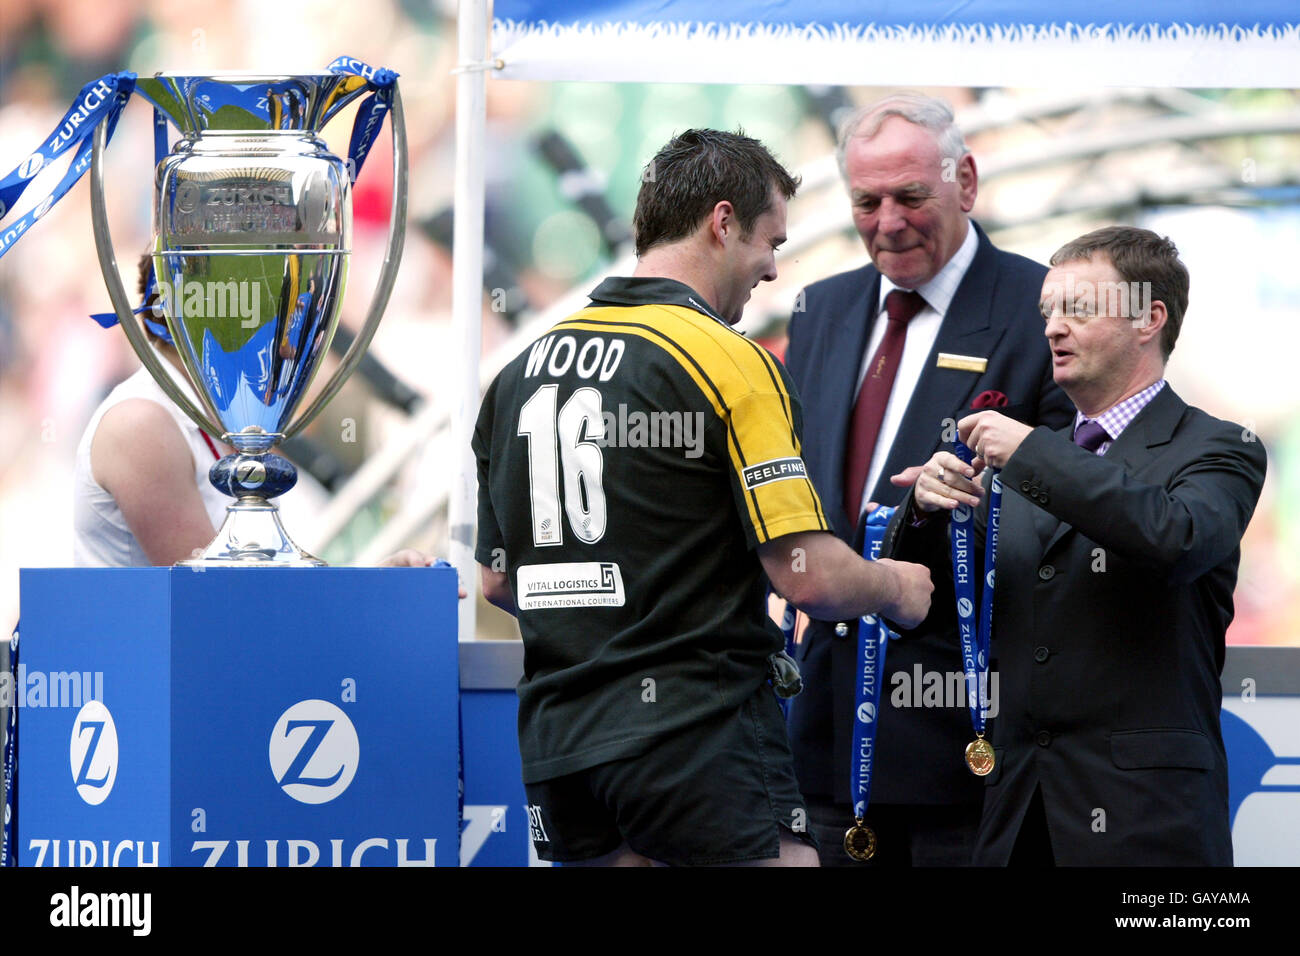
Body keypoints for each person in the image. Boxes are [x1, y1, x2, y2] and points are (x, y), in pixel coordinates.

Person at [473, 128, 933, 867]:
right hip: (697, 736)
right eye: (769, 242)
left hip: (561, 746)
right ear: (722, 222)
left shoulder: (519, 371)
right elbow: (806, 576)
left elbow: (498, 580)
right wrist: (898, 588)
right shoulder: (728, 360)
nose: (773, 270)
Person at [888, 225, 1266, 865]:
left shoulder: (1221, 447)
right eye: (1047, 312)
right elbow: (935, 612)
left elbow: (1175, 537)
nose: (1052, 329)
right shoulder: (1030, 463)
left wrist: (1034, 451)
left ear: (1149, 318)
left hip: (1146, 829)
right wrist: (928, 508)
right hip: (1014, 824)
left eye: (1078, 309)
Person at [783, 92, 1074, 866]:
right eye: (866, 201)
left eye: (910, 196)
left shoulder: (1042, 308)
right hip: (829, 735)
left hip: (968, 739)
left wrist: (978, 502)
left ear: (965, 183)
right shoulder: (821, 308)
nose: (887, 221)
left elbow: (1081, 505)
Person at [74, 254, 437, 572]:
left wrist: (375, 584)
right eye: (264, 309)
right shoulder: (141, 424)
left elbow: (260, 595)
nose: (288, 344)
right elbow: (222, 604)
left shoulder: (220, 416)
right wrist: (366, 598)